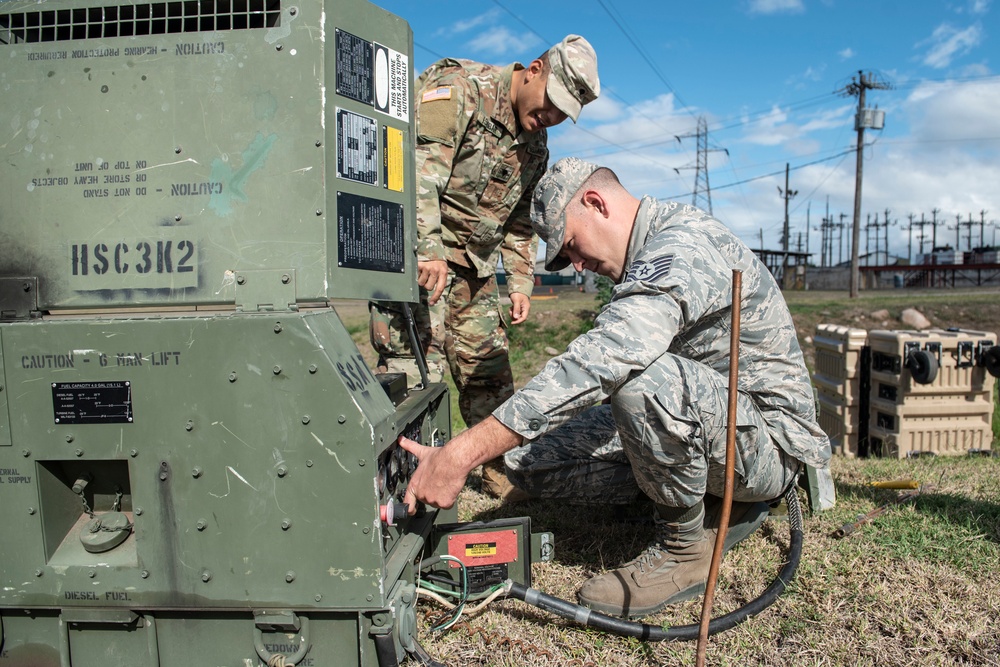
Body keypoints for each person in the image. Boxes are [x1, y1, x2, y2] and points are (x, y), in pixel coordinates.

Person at [398, 157, 831, 618]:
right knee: (525, 463)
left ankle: (685, 549)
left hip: (766, 444)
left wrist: (461, 453)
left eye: (572, 247)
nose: (579, 265)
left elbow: (607, 358)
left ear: (595, 202)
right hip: (710, 422)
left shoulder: (680, 245)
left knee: (639, 378)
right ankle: (688, 493)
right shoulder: (650, 249)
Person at [370, 37, 600, 500]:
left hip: (472, 272)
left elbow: (518, 221)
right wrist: (428, 249)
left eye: (564, 113)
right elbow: (417, 174)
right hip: (416, 262)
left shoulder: (535, 145)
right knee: (416, 372)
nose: (552, 117)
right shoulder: (461, 89)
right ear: (534, 70)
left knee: (489, 371)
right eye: (552, 103)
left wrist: (519, 282)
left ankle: (497, 472)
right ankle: (404, 483)